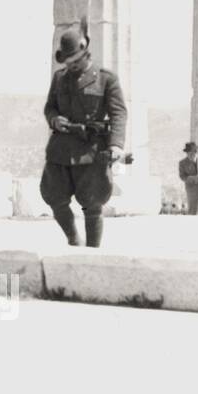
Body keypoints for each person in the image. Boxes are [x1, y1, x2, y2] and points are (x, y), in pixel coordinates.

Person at [40, 23, 128, 247]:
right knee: (54, 197)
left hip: (91, 149)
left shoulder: (106, 79)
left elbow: (119, 113)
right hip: (60, 148)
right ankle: (73, 238)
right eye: (68, 63)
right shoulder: (60, 78)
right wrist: (54, 119)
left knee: (92, 202)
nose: (71, 67)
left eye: (75, 62)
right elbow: (50, 107)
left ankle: (92, 250)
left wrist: (116, 145)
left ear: (86, 55)